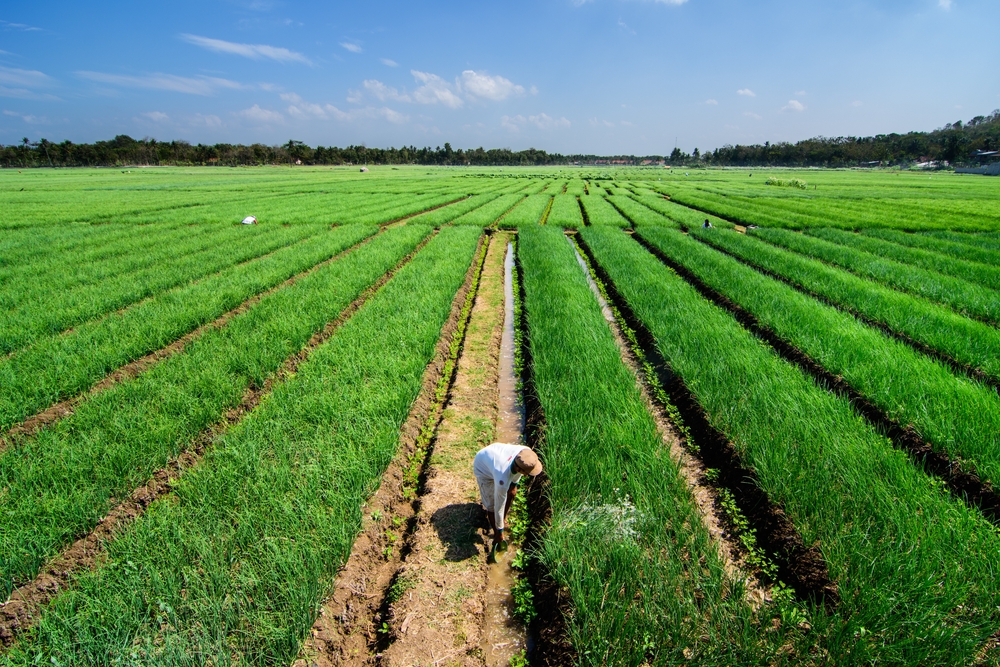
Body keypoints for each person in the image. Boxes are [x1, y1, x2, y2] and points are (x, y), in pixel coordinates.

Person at [473, 443, 543, 550]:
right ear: (520, 469)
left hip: (496, 455)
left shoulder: (526, 453)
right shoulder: (502, 477)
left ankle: (502, 521)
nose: (527, 475)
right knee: (492, 505)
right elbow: (498, 506)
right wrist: (500, 532)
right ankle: (496, 532)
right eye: (527, 473)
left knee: (512, 492)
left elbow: (518, 474)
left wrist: (513, 485)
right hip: (483, 467)